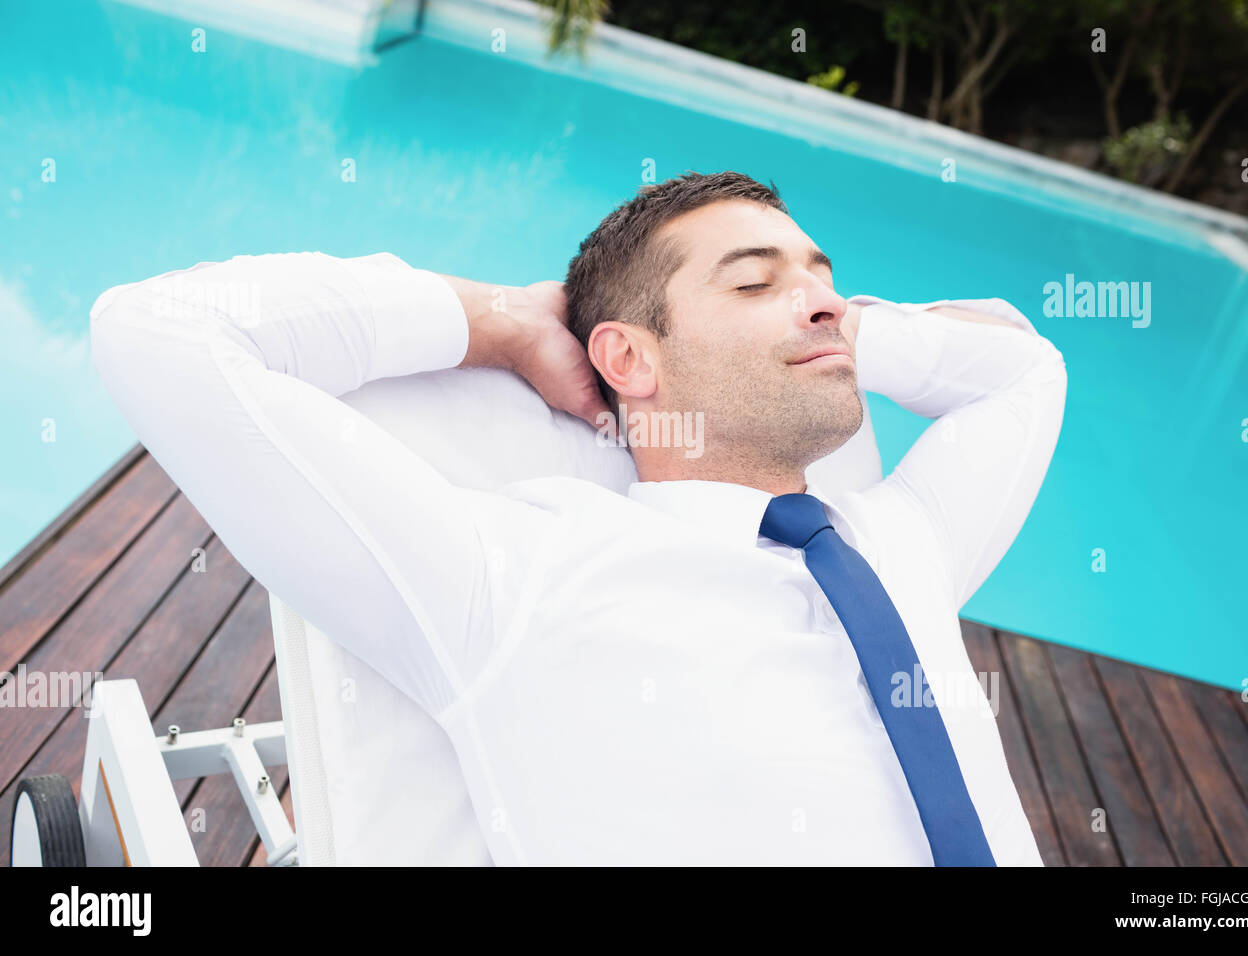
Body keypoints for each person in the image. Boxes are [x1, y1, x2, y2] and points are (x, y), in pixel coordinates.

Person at [90, 170, 1066, 865]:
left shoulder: (903, 546)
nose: (824, 303)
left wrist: (845, 325)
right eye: (755, 281)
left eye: (823, 278)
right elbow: (161, 334)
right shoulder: (510, 574)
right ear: (631, 360)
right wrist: (498, 321)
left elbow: (1024, 371)